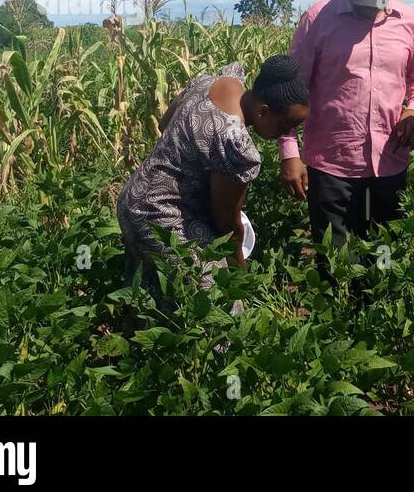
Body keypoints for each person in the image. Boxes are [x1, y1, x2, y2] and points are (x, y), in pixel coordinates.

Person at [117, 56, 310, 307]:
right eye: (288, 125)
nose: (288, 133)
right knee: (217, 303)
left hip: (133, 198)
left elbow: (165, 124)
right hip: (160, 215)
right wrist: (240, 273)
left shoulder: (216, 81)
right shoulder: (236, 144)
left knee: (147, 293)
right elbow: (226, 223)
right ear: (263, 111)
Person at [278, 0, 414, 247]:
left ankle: (380, 278)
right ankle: (338, 281)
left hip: (389, 162)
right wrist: (289, 153)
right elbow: (292, 90)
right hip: (331, 165)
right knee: (335, 256)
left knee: (384, 251)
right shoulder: (318, 19)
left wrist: (413, 110)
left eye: (375, 1)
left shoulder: (409, 22)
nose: (366, 9)